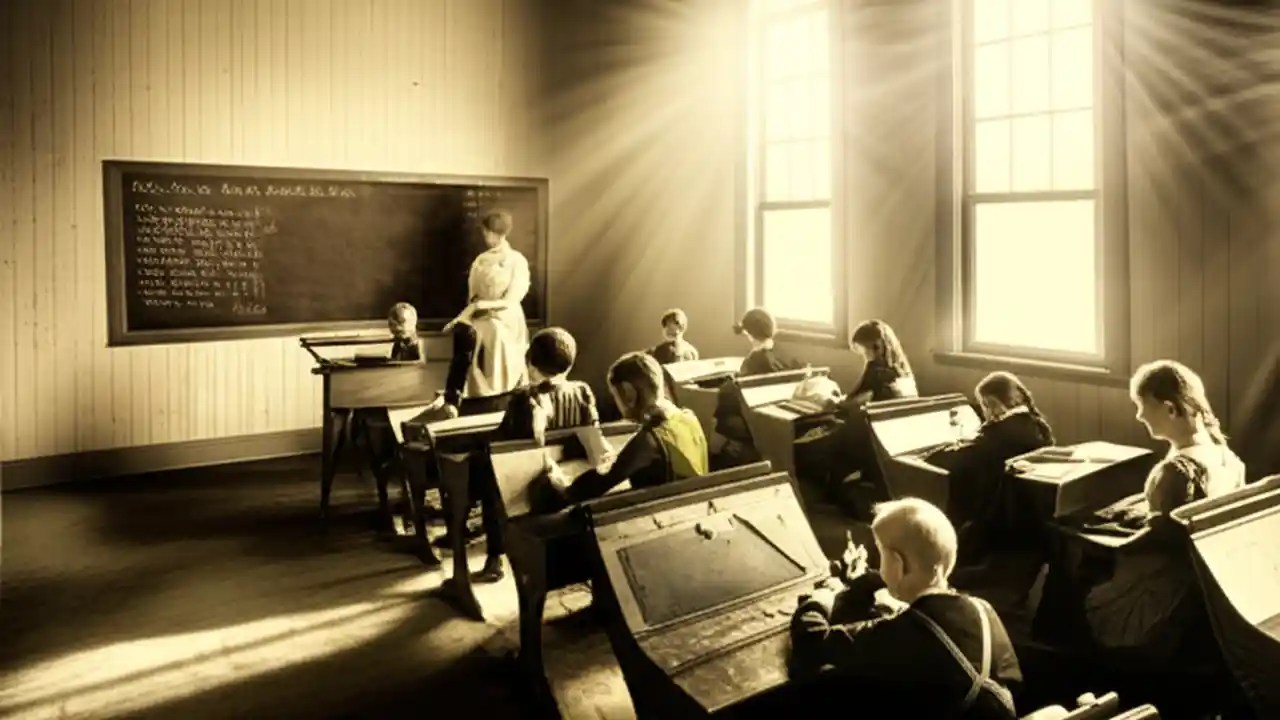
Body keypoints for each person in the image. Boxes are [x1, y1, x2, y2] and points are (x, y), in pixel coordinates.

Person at [790, 498, 1021, 719]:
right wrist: (867, 581)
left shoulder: (900, 634)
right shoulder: (983, 609)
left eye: (880, 555)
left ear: (897, 564)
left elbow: (811, 641)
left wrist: (822, 599)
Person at [1076, 360, 1246, 659]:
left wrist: (1091, 535)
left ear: (1170, 409)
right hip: (1202, 579)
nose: (1139, 415)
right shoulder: (1225, 456)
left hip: (1163, 587)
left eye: (1142, 406)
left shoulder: (1175, 473)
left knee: (1073, 554)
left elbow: (1160, 540)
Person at [464, 327, 601, 583]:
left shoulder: (523, 399)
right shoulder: (582, 391)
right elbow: (592, 431)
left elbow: (503, 444)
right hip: (569, 479)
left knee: (487, 473)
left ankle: (494, 558)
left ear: (529, 362)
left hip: (528, 485)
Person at [544, 351, 708, 505]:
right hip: (695, 506)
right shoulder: (689, 417)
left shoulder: (650, 440)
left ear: (629, 394)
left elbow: (600, 483)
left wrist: (562, 485)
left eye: (615, 395)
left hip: (666, 516)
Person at [930, 371, 1056, 562]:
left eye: (984, 406)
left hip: (999, 521)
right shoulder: (1037, 426)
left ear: (992, 404)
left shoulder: (997, 434)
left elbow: (950, 460)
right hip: (1030, 516)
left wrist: (940, 450)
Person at [427, 209, 532, 420]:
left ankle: (493, 397)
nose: (486, 237)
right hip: (481, 315)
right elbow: (472, 297)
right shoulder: (481, 260)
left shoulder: (516, 260)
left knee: (486, 330)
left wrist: (477, 308)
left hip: (505, 318)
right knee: (464, 331)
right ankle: (454, 395)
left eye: (488, 232)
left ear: (497, 232)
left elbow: (512, 300)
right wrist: (468, 313)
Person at [711, 307, 803, 468]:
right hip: (779, 410)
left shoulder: (754, 359)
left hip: (755, 413)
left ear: (750, 333)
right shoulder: (784, 354)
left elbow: (739, 392)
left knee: (721, 413)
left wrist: (729, 385)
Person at [846, 319, 918, 405]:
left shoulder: (875, 370)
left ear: (876, 346)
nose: (864, 356)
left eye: (864, 351)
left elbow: (850, 401)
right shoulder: (904, 372)